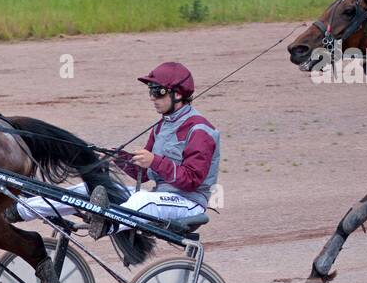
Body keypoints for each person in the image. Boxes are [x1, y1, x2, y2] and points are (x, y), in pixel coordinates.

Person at [12, 61, 220, 234]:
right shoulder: (161, 127)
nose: (152, 98)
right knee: (88, 189)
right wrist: (117, 158)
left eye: (158, 92)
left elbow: (192, 180)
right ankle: (20, 210)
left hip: (188, 203)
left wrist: (155, 161)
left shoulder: (200, 130)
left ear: (178, 94)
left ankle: (108, 224)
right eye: (151, 91)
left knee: (143, 199)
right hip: (161, 198)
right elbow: (145, 174)